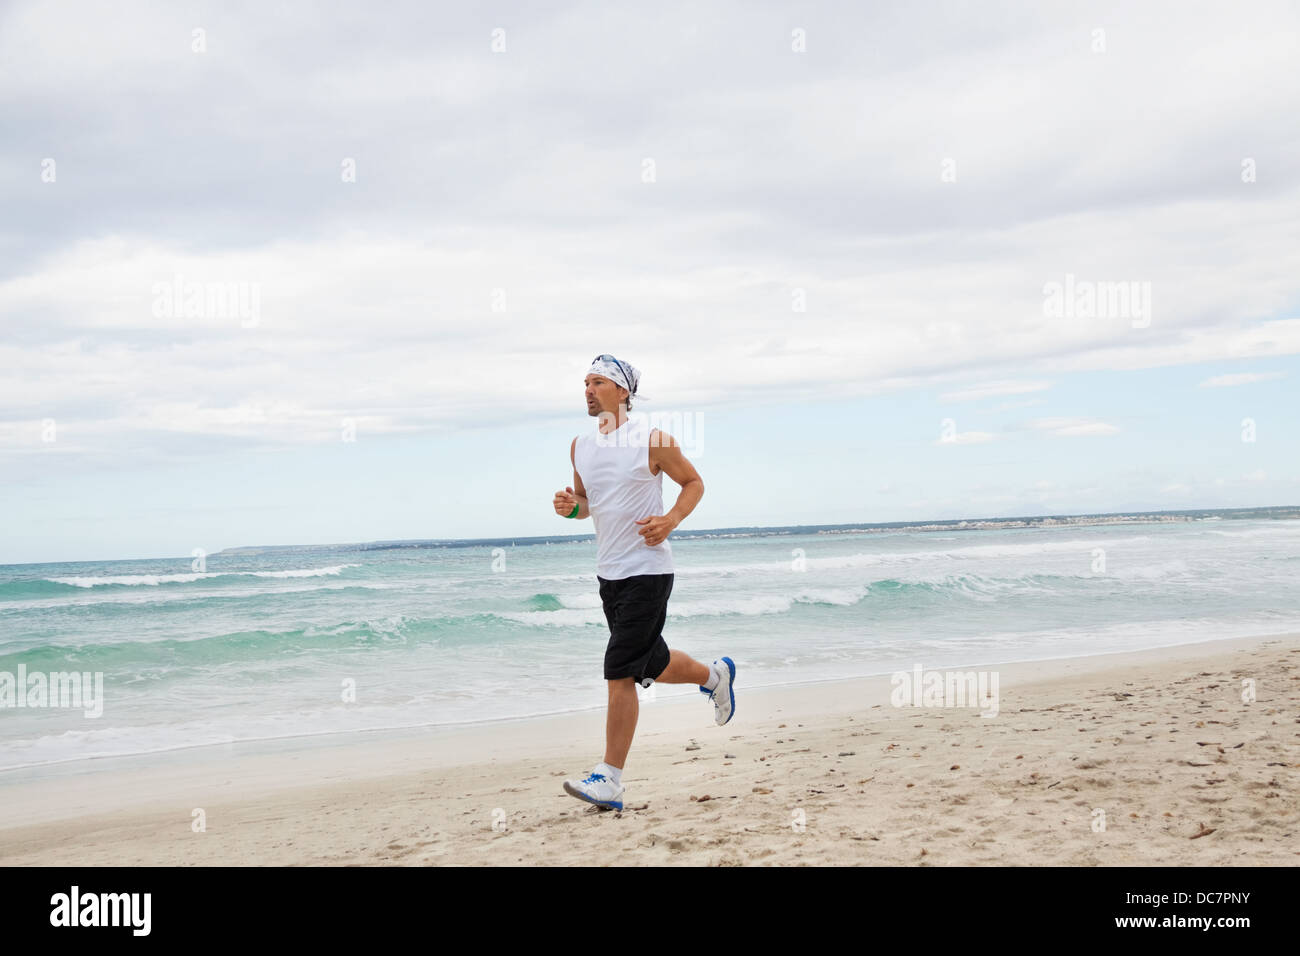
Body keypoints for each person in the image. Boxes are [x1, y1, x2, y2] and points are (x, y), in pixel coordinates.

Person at [552, 354, 735, 811]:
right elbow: (588, 504)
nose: (589, 390)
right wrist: (569, 506)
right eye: (586, 382)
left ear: (623, 392)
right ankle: (716, 677)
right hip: (609, 574)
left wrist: (670, 520)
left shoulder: (651, 441)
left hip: (648, 571)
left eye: (599, 382)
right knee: (650, 663)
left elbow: (693, 482)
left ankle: (610, 779)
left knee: (618, 670)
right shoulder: (580, 446)